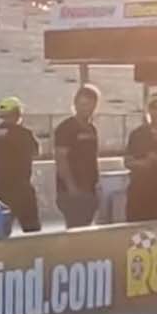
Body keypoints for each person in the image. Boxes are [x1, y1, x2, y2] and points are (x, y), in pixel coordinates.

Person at [0, 97, 41, 234]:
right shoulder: (24, 134)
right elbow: (36, 152)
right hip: (20, 186)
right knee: (31, 229)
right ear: (17, 113)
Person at [53, 84, 102, 229]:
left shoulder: (92, 128)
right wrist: (71, 187)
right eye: (83, 104)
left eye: (91, 105)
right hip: (71, 190)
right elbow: (61, 159)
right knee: (75, 230)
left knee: (86, 229)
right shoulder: (65, 128)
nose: (87, 109)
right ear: (75, 104)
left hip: (90, 188)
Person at [124, 96, 157, 221]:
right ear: (148, 111)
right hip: (140, 192)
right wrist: (143, 164)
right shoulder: (137, 134)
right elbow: (127, 161)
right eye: (153, 108)